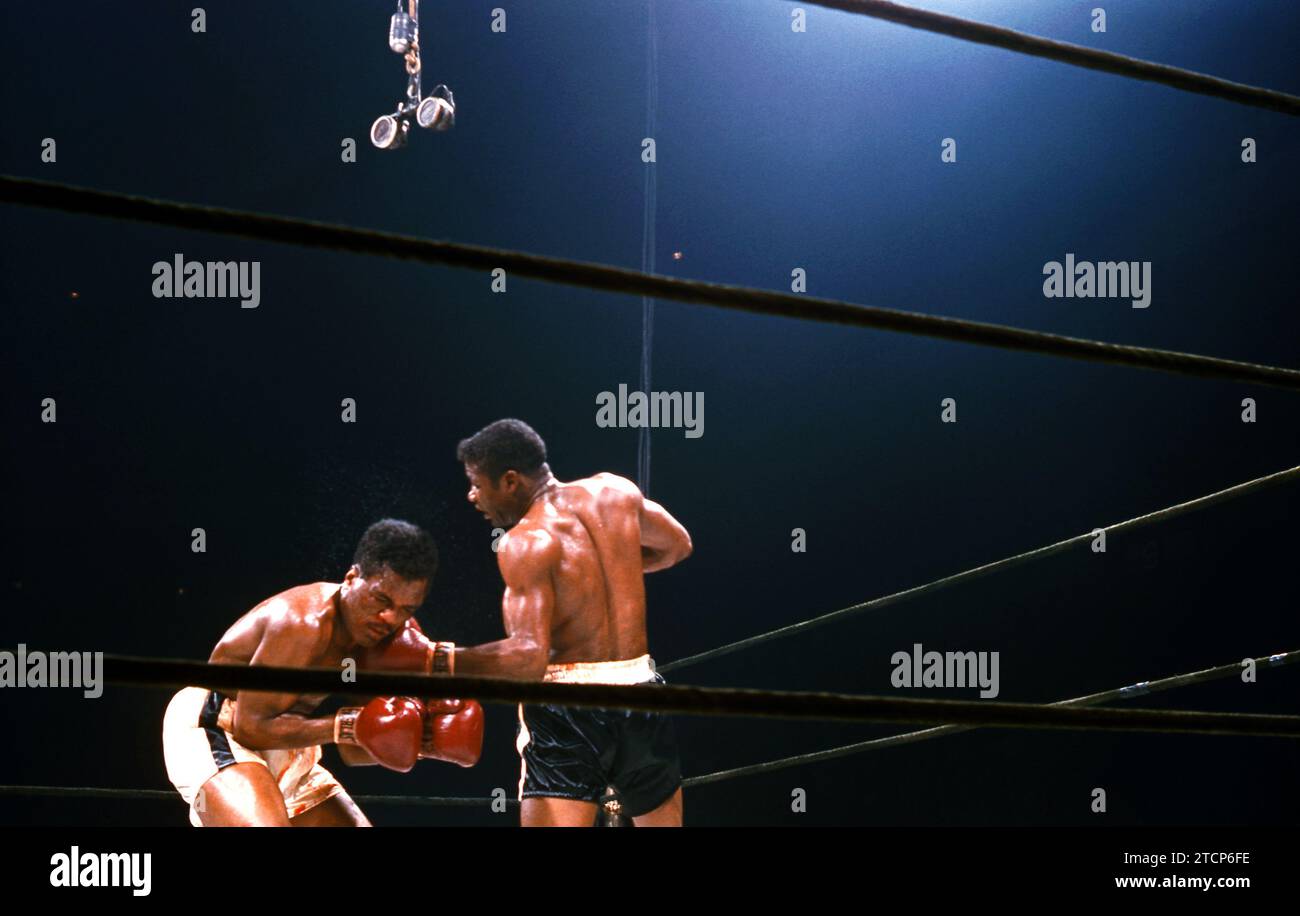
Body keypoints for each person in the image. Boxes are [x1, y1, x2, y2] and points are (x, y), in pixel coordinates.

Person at [161, 519, 483, 826]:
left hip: (287, 743)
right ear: (351, 578)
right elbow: (250, 727)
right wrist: (347, 725)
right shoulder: (302, 623)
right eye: (381, 599)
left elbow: (354, 749)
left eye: (406, 609)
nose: (389, 617)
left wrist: (422, 740)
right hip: (219, 725)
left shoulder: (389, 640)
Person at [454, 418, 693, 825]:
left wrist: (436, 660)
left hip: (568, 706)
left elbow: (526, 660)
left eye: (478, 483)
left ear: (510, 481)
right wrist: (612, 574)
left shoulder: (524, 542)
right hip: (640, 689)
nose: (472, 495)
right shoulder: (616, 492)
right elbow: (678, 545)